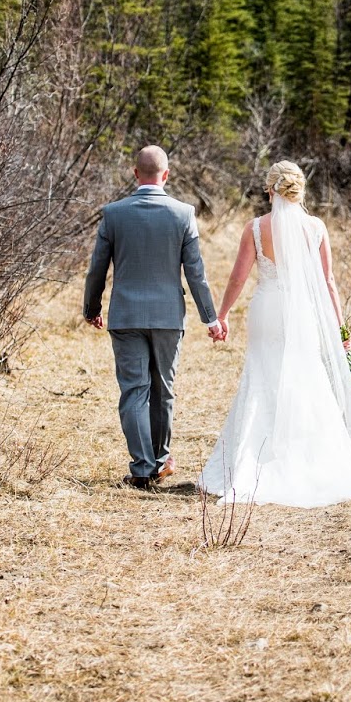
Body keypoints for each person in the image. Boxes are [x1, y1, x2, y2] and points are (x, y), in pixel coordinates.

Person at [200, 160, 351, 507]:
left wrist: (222, 314)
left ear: (270, 190)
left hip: (267, 308)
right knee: (305, 377)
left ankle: (255, 460)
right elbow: (328, 281)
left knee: (262, 376)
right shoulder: (316, 227)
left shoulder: (255, 228)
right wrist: (340, 328)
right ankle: (309, 460)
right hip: (302, 313)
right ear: (299, 189)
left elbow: (238, 277)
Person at [84, 145, 224, 490]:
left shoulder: (114, 214)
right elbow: (196, 272)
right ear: (166, 175)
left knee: (134, 390)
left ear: (135, 173)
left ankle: (143, 467)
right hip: (167, 317)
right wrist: (210, 319)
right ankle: (159, 461)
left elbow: (97, 268)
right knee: (163, 389)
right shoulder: (183, 214)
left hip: (126, 316)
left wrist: (92, 308)